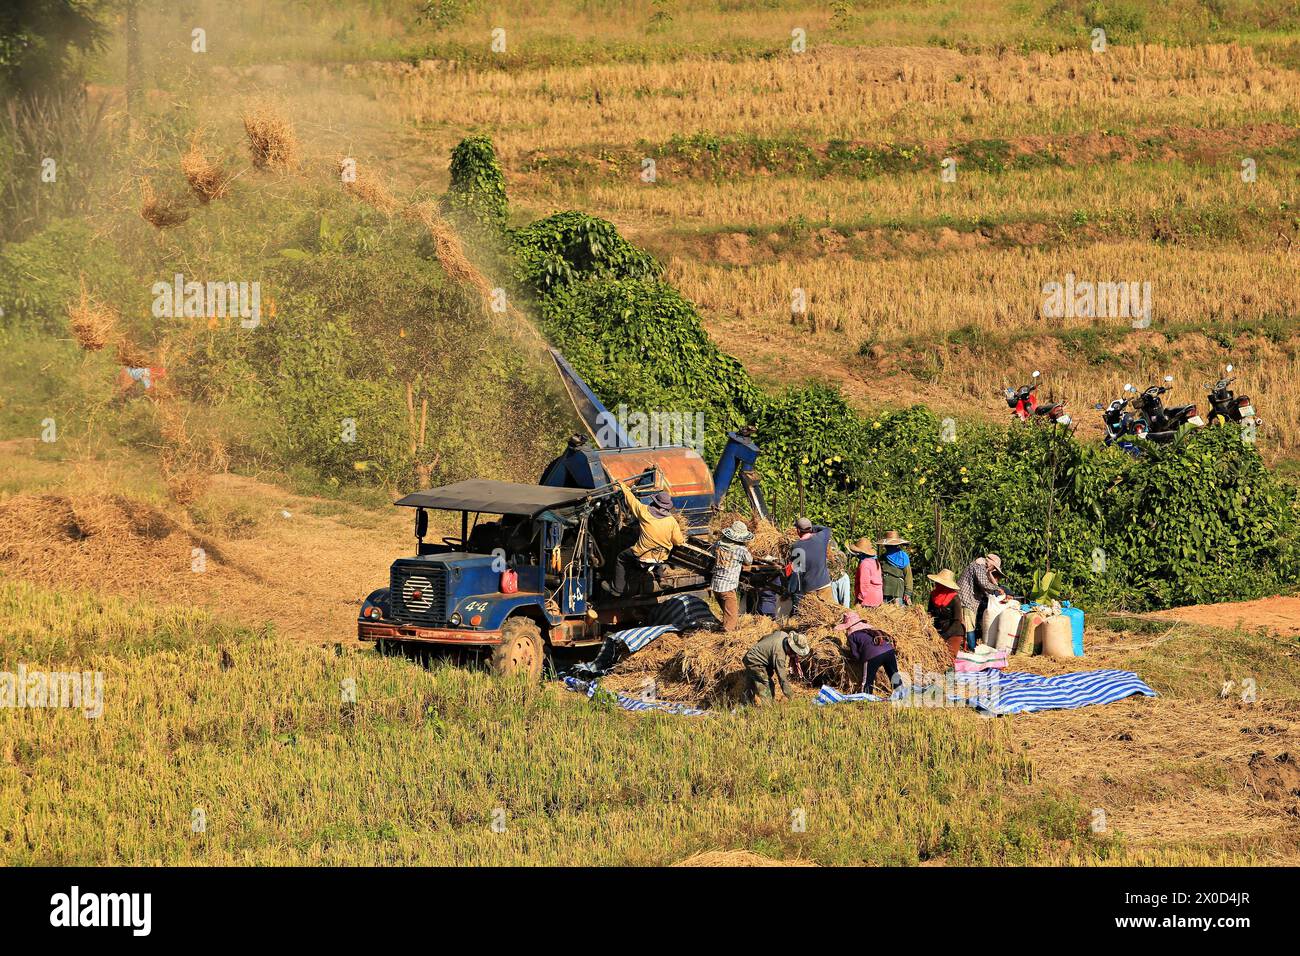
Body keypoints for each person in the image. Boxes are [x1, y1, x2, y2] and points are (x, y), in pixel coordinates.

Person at [602, 481, 685, 597]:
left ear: (655, 502)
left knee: (621, 558)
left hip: (643, 554)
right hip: (661, 557)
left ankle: (617, 589)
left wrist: (624, 487)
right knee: (657, 553)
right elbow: (679, 541)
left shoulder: (644, 512)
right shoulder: (672, 521)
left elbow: (632, 501)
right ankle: (662, 579)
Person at [836, 610, 901, 695]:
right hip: (889, 650)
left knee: (867, 680)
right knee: (893, 673)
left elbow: (855, 654)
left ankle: (866, 697)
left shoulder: (852, 635)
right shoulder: (869, 629)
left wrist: (859, 662)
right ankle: (901, 693)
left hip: (872, 656)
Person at [743, 629, 811, 704]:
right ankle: (767, 708)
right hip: (753, 660)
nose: (795, 655)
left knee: (755, 681)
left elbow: (764, 638)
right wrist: (792, 697)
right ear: (790, 647)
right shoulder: (779, 655)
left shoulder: (783, 634)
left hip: (756, 656)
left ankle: (746, 701)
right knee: (767, 684)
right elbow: (782, 678)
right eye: (794, 652)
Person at [710, 521, 754, 631]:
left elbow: (712, 553)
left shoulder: (718, 544)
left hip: (716, 585)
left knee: (727, 615)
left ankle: (724, 631)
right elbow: (749, 561)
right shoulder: (741, 550)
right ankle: (728, 641)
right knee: (732, 619)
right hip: (728, 587)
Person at [957, 553, 1005, 650]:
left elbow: (983, 588)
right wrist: (997, 588)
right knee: (969, 625)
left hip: (969, 600)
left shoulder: (982, 568)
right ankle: (972, 648)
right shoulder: (979, 565)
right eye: (994, 567)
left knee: (969, 624)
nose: (993, 570)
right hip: (966, 599)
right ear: (990, 563)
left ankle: (968, 647)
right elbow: (983, 583)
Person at [787, 516, 833, 614]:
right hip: (825, 585)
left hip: (810, 589)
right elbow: (826, 529)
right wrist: (812, 528)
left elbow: (797, 571)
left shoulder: (796, 547)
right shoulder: (821, 538)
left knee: (812, 617)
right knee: (829, 615)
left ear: (798, 531)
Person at [926, 569, 966, 661]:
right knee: (935, 659)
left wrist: (944, 636)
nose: (937, 585)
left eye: (940, 583)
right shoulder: (933, 595)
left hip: (953, 631)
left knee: (948, 659)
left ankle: (950, 675)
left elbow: (957, 621)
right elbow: (930, 613)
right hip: (938, 630)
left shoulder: (955, 598)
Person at [878, 530, 913, 606]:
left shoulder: (903, 557)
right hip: (885, 589)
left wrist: (908, 592)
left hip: (898, 591)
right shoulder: (883, 557)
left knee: (897, 614)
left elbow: (908, 575)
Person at [848, 537, 883, 608]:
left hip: (868, 599)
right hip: (877, 597)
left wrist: (860, 599)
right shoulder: (875, 561)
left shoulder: (864, 564)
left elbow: (865, 583)